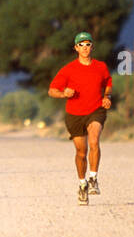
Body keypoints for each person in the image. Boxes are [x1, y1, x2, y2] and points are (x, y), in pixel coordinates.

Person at [47, 32, 113, 205]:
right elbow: (51, 90)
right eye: (81, 44)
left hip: (96, 110)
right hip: (75, 114)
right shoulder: (68, 69)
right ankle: (82, 184)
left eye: (88, 44)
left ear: (92, 46)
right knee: (81, 152)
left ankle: (93, 178)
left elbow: (108, 83)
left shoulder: (101, 67)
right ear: (76, 48)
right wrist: (64, 94)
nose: (85, 48)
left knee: (94, 141)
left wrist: (107, 97)